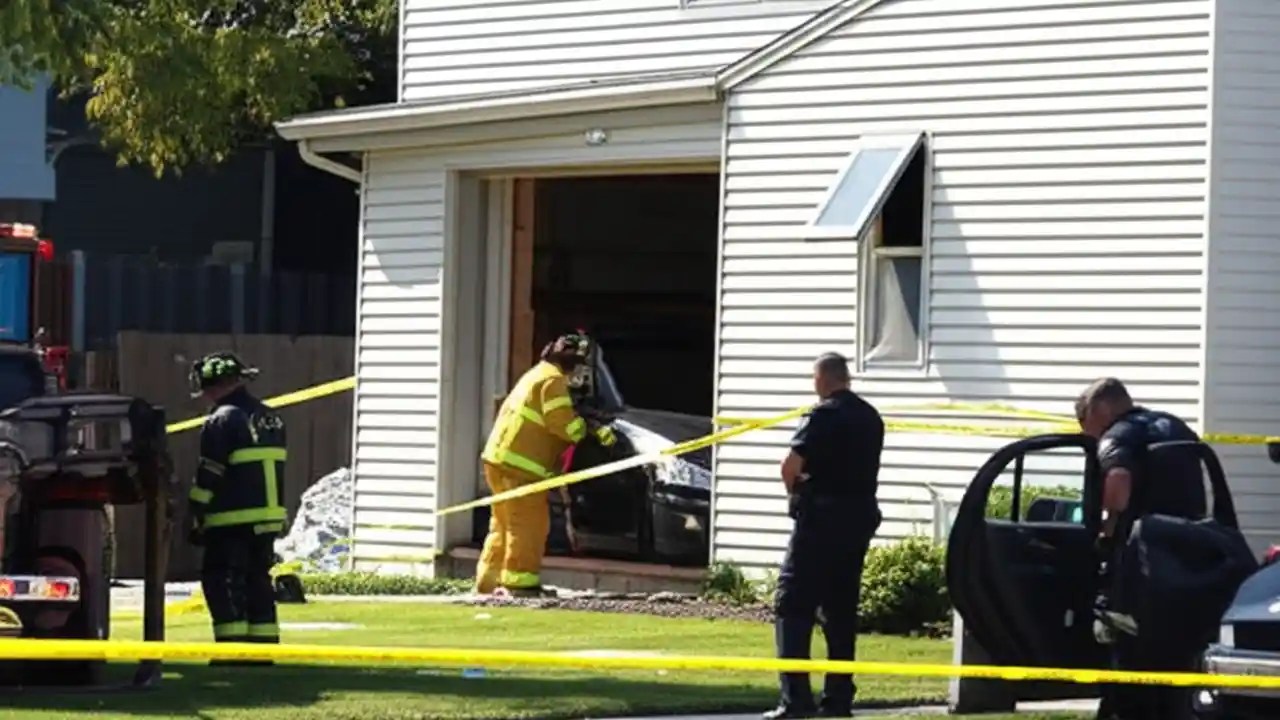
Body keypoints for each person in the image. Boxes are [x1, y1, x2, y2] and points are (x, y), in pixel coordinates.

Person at [1074, 377, 1205, 720]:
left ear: (1100, 410)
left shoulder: (1118, 436)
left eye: (1089, 427)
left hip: (1141, 562)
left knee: (1129, 647)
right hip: (1190, 557)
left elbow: (1118, 481)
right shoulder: (1176, 428)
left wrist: (1107, 530)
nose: (1092, 437)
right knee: (1178, 651)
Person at [766, 353, 884, 720]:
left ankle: (795, 701)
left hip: (820, 522)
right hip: (858, 520)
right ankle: (838, 701)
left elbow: (790, 468)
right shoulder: (871, 417)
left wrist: (796, 491)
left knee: (792, 604)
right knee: (841, 611)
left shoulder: (822, 415)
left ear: (822, 378)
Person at [476, 331, 617, 597]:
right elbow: (562, 424)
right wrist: (587, 428)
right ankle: (519, 584)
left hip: (499, 460)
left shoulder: (536, 374)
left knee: (503, 525)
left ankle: (488, 584)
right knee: (529, 525)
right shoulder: (553, 381)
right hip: (521, 467)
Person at [186, 351, 287, 661]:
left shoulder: (222, 419)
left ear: (213, 385)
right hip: (267, 520)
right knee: (258, 581)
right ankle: (262, 650)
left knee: (222, 581)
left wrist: (195, 510)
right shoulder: (271, 417)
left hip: (232, 520)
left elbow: (211, 472)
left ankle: (232, 653)